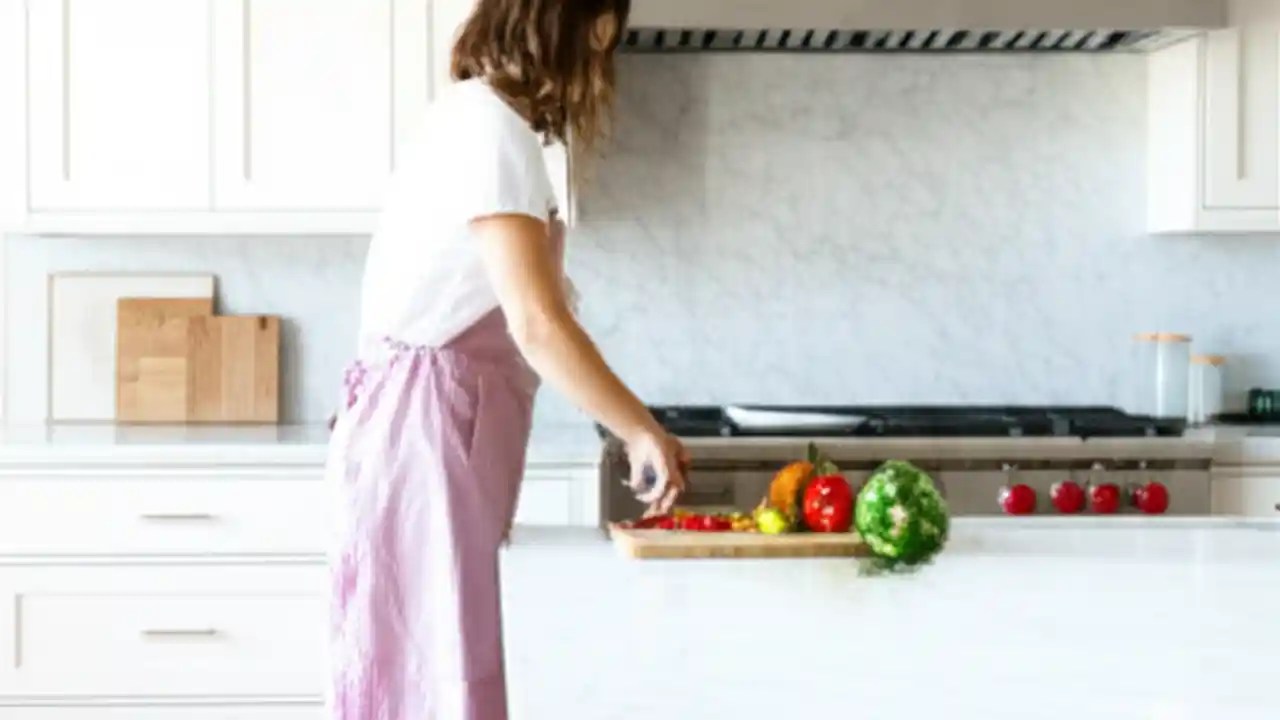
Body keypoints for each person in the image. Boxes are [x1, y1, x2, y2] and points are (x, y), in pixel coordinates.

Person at [324, 0, 688, 717]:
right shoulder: (489, 128)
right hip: (426, 434)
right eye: (600, 36)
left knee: (433, 667)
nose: (599, 64)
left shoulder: (487, 123)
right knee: (442, 673)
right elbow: (538, 323)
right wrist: (640, 428)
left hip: (434, 432)